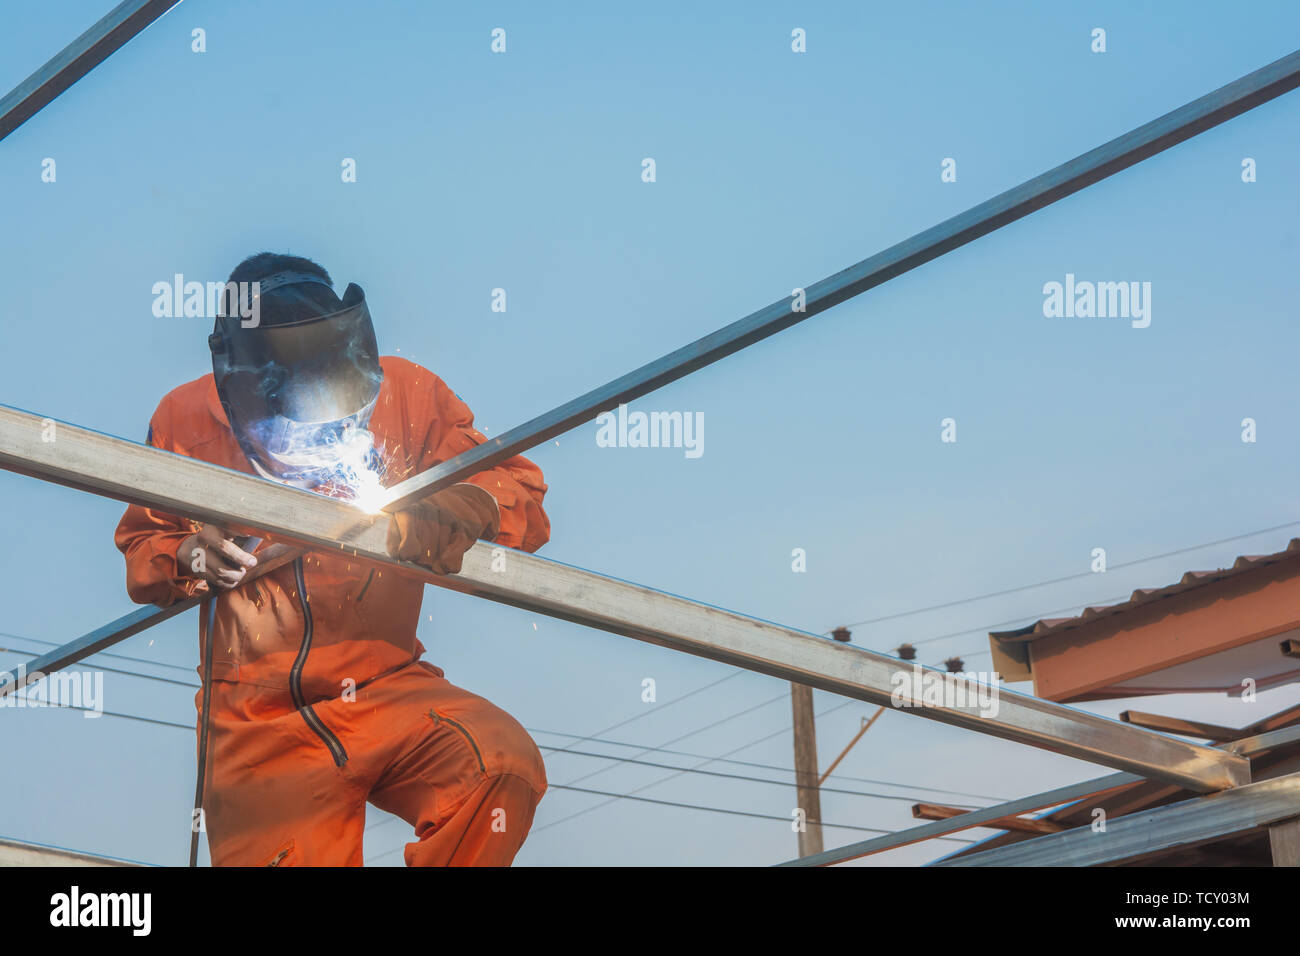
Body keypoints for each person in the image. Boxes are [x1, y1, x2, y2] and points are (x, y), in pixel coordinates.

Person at [115, 252, 551, 866]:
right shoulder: (183, 419)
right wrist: (186, 555)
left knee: (498, 763)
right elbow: (143, 548)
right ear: (240, 372)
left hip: (385, 683)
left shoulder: (408, 392)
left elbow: (518, 490)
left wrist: (466, 503)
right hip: (254, 722)